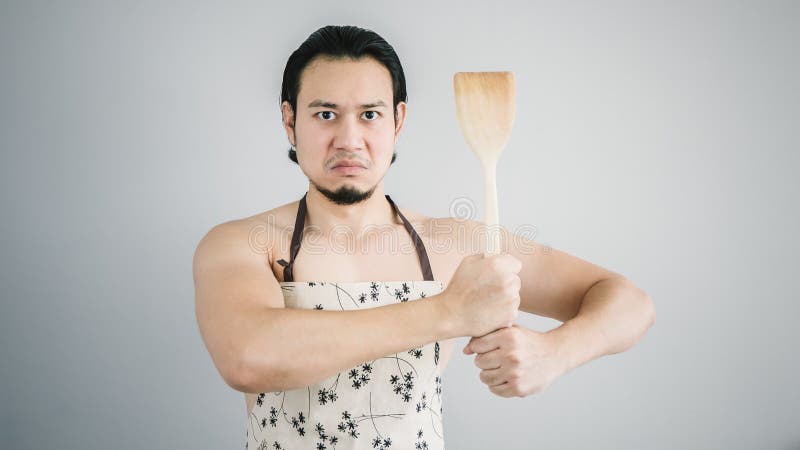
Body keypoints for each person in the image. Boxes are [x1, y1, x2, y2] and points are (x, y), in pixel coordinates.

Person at [192, 25, 656, 449]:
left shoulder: (453, 245)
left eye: (369, 114)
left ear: (397, 121)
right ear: (290, 121)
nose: (349, 139)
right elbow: (247, 357)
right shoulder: (242, 243)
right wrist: (448, 311)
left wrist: (555, 353)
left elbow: (631, 304)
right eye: (326, 114)